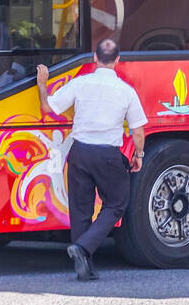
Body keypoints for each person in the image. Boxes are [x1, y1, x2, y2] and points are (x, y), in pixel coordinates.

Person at [37, 39, 146, 282]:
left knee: (80, 210)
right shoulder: (126, 91)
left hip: (80, 153)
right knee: (117, 203)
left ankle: (84, 267)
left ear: (94, 59)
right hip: (107, 155)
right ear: (118, 61)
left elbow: (47, 107)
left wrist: (42, 84)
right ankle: (84, 248)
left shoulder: (81, 83)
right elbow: (138, 132)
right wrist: (139, 156)